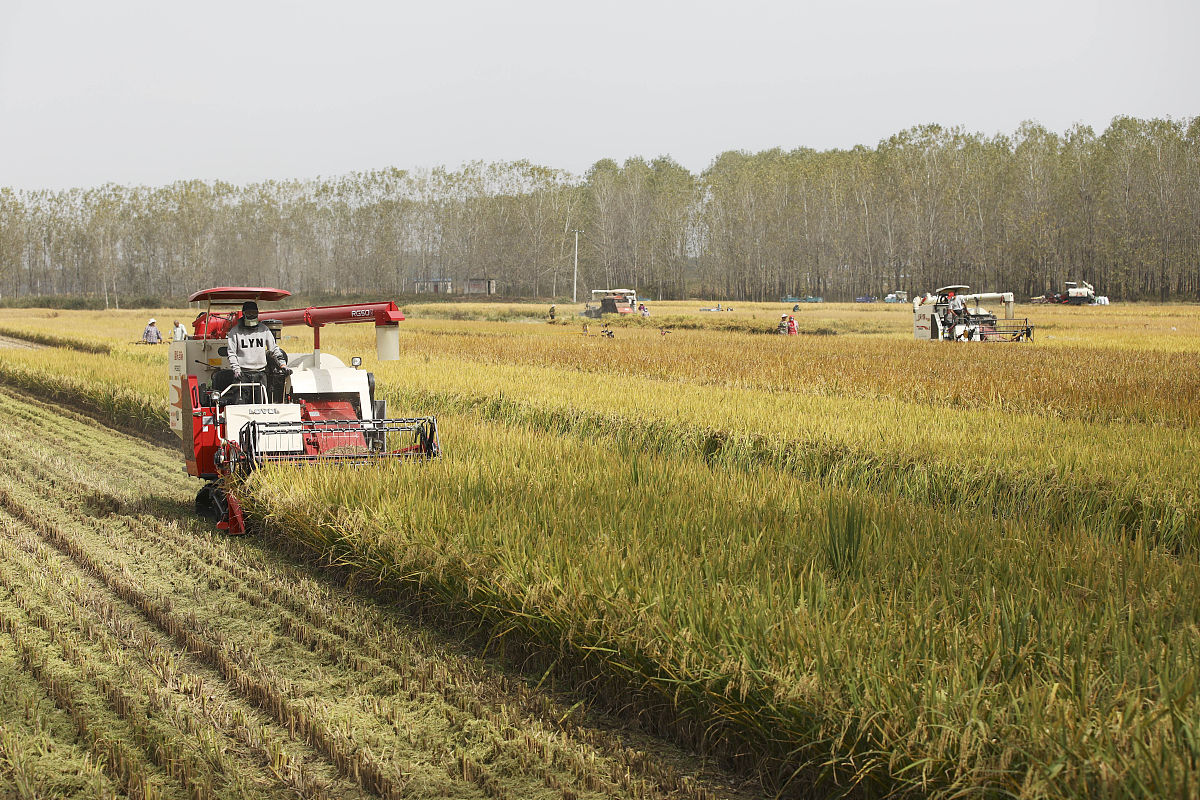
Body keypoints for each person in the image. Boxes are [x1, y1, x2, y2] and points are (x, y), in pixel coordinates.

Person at [226, 301, 290, 403]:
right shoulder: (235, 332)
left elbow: (273, 349)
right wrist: (236, 369)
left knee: (261, 405)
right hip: (242, 375)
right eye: (249, 313)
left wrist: (283, 365)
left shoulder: (263, 330)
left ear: (258, 313)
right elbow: (231, 353)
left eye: (254, 313)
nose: (251, 316)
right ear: (243, 314)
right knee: (239, 405)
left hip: (260, 374)